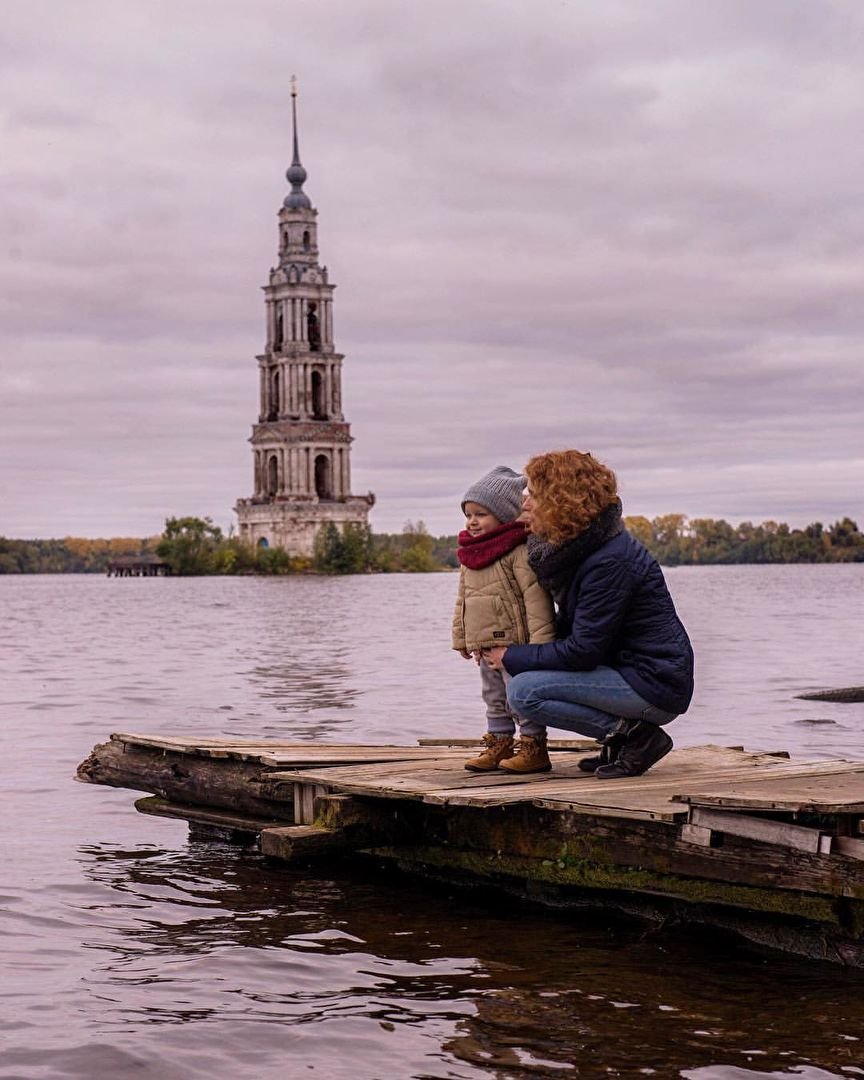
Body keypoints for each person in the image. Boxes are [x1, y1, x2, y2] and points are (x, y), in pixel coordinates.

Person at [482, 450, 694, 778]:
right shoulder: (580, 549)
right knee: (526, 683)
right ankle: (618, 744)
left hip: (654, 683)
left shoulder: (609, 561)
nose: (524, 504)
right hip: (629, 673)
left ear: (560, 500)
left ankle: (637, 738)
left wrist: (512, 656)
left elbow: (583, 651)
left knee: (524, 692)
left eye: (533, 495)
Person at [452, 466, 556, 773]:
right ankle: (498, 743)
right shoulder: (470, 555)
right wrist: (462, 639)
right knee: (493, 696)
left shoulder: (518, 552)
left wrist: (539, 648)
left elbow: (536, 602)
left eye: (481, 514)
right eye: (468, 514)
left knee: (518, 695)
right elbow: (464, 600)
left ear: (504, 514)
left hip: (515, 646)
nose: (472, 521)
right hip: (485, 644)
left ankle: (533, 747)